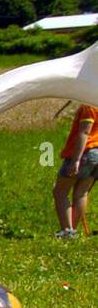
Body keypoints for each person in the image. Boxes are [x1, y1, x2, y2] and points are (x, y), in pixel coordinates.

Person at [53, 102, 98, 238]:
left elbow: (85, 131)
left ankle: (67, 230)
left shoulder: (89, 105)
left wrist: (76, 160)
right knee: (81, 193)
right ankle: (72, 230)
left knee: (60, 191)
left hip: (85, 153)